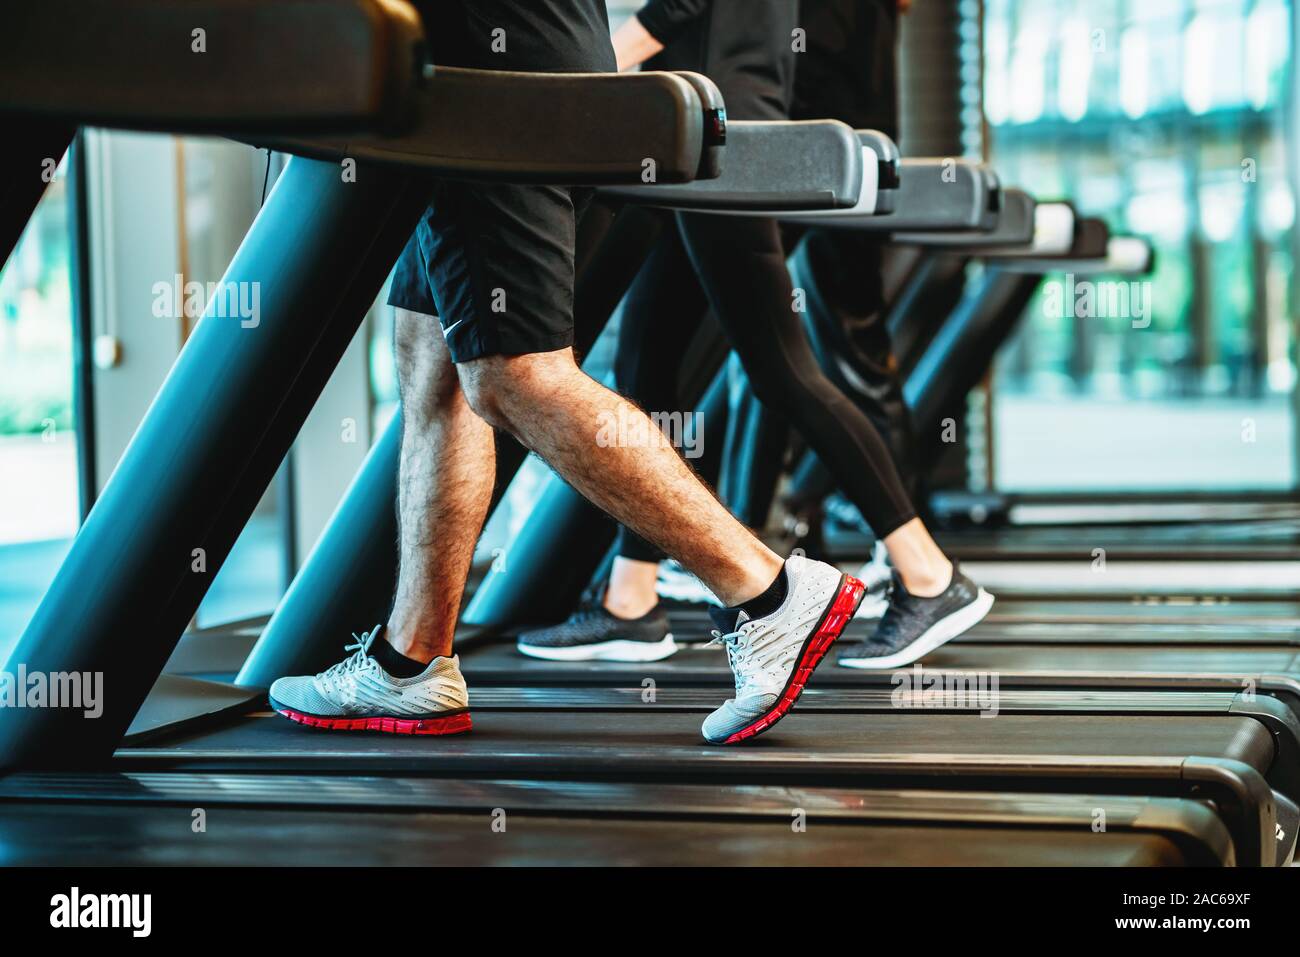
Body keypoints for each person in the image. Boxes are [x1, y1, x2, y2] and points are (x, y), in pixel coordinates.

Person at [266, 0, 866, 747]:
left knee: (514, 373)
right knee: (436, 365)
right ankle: (411, 661)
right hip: (471, 76)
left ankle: (766, 592)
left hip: (489, 81)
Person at [517, 0, 993, 671]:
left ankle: (928, 574)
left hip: (717, 136)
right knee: (646, 357)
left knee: (781, 370)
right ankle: (631, 600)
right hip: (688, 133)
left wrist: (599, 70)